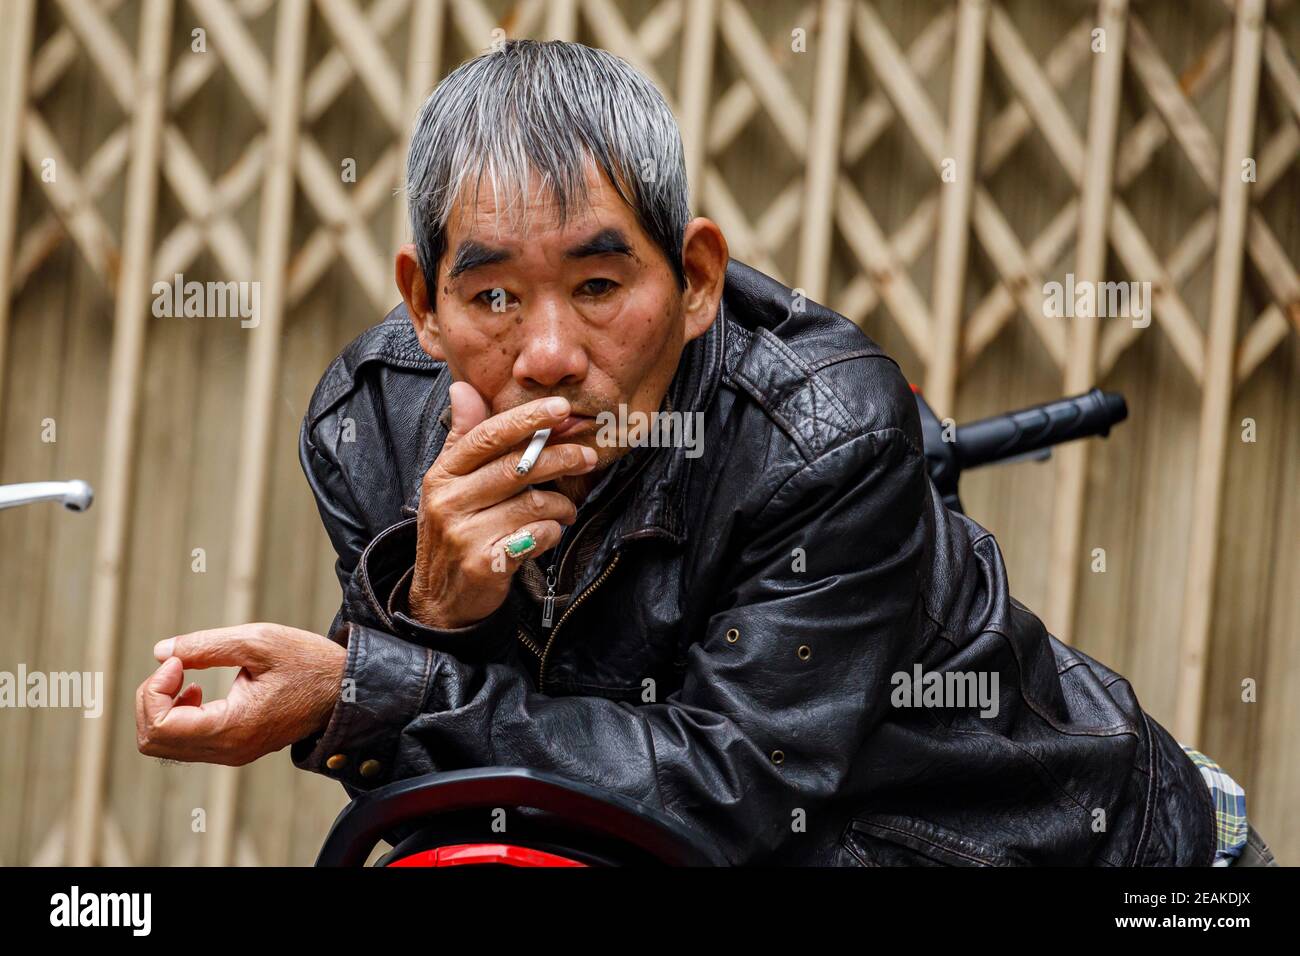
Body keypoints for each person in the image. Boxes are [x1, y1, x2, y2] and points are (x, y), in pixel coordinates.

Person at [136, 39, 1267, 866]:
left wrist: (369, 681)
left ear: (694, 280)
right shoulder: (367, 428)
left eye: (597, 284)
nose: (546, 353)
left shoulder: (822, 436)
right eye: (489, 294)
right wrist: (427, 611)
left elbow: (731, 794)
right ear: (421, 303)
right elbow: (462, 792)